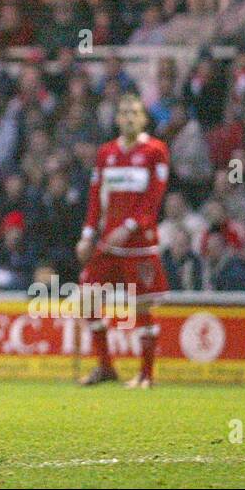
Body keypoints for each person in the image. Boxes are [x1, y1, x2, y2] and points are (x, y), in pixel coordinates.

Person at [76, 93, 170, 388]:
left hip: (140, 243)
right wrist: (87, 234)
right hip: (108, 243)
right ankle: (106, 366)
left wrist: (130, 226)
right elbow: (95, 198)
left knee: (141, 308)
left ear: (143, 118)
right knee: (87, 300)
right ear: (117, 119)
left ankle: (147, 374)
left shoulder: (156, 151)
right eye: (124, 112)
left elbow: (154, 198)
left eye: (134, 113)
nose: (128, 117)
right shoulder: (106, 153)